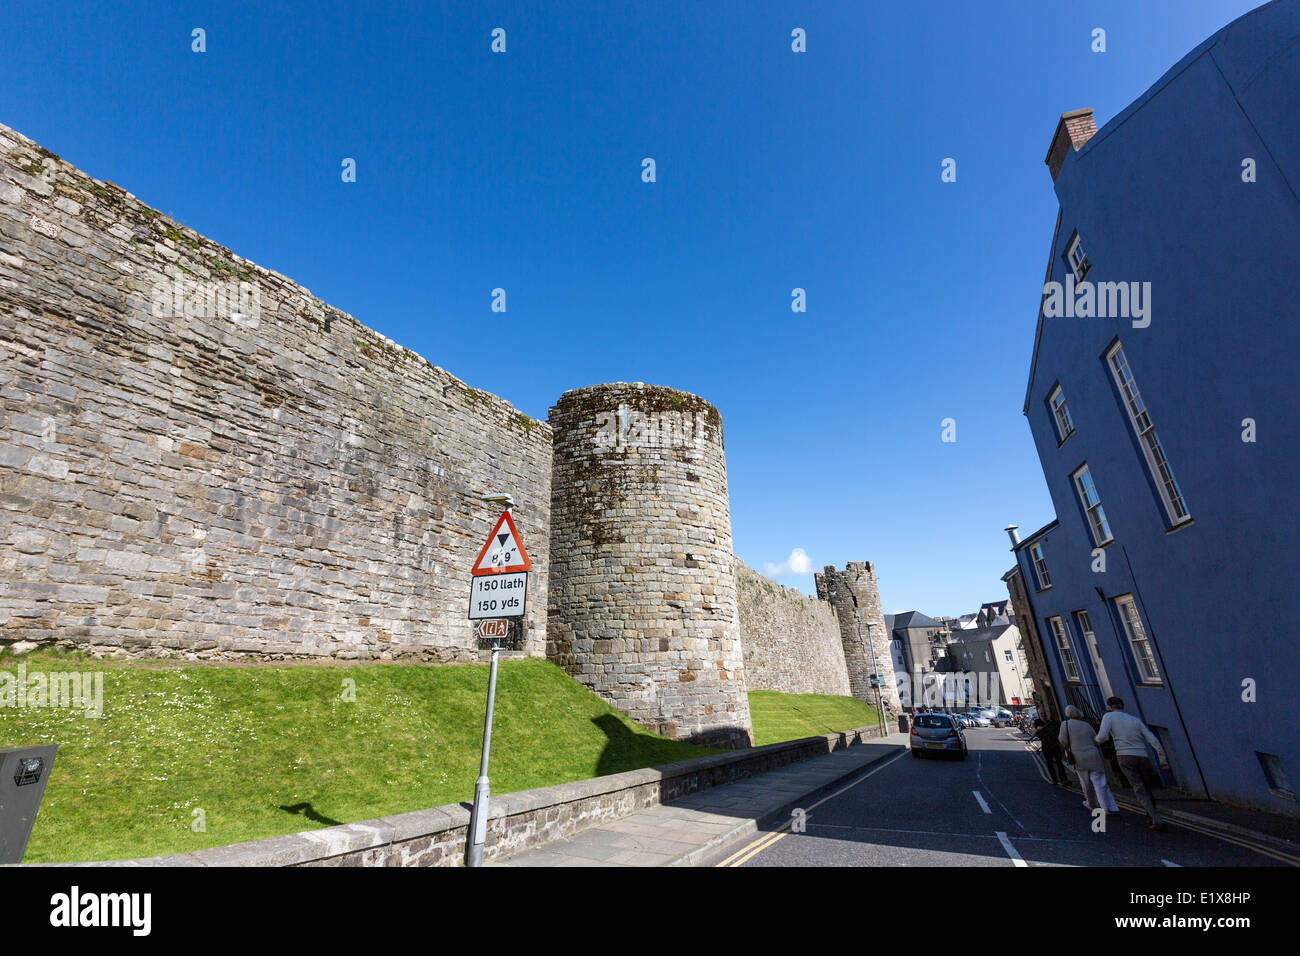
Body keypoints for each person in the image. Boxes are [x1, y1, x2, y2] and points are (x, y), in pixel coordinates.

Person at [1096, 696, 1170, 831]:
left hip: (1125, 756)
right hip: (1142, 756)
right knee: (1146, 787)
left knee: (1139, 787)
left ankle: (1156, 818)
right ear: (1122, 706)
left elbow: (1102, 737)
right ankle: (1151, 815)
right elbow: (1153, 740)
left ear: (1109, 707)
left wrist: (1096, 740)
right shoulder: (1135, 720)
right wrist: (1163, 760)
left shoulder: (1109, 717)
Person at [1059, 705, 1117, 814]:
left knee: (1086, 783)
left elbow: (1062, 741)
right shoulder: (1087, 725)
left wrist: (1071, 746)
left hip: (1078, 756)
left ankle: (1092, 804)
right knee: (1100, 782)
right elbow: (1095, 739)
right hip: (1093, 755)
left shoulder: (1065, 724)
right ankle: (1105, 808)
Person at [1033, 717, 1068, 786]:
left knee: (1059, 762)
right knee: (1049, 763)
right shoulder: (1037, 722)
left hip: (1055, 744)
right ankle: (1054, 779)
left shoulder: (1053, 722)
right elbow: (1034, 733)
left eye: (1044, 713)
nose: (1043, 715)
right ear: (1039, 715)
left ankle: (1063, 779)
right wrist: (1037, 729)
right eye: (1041, 714)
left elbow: (1058, 731)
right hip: (1046, 745)